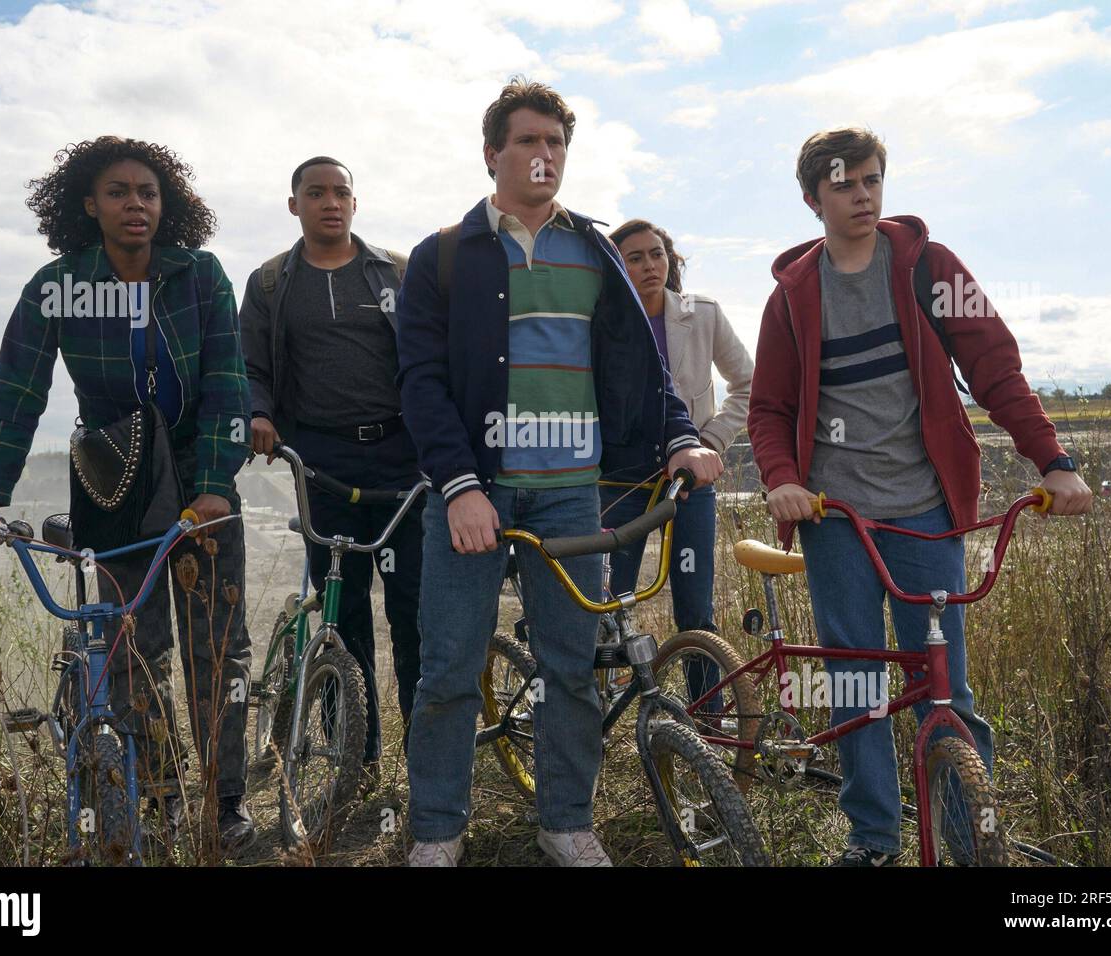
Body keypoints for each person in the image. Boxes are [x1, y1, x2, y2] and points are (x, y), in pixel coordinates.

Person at [396, 78, 723, 867]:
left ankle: (565, 821)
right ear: (492, 154)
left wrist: (681, 436)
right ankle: (438, 830)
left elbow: (643, 368)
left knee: (574, 668)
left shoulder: (595, 250)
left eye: (557, 143)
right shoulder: (441, 256)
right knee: (446, 669)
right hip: (474, 493)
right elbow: (420, 382)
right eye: (529, 141)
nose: (545, 155)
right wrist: (461, 484)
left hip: (574, 496)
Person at [747, 127, 1093, 866]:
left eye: (872, 179)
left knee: (946, 685)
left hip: (924, 510)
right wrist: (781, 480)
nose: (863, 194)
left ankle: (970, 844)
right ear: (813, 199)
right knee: (857, 680)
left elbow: (996, 368)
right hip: (835, 517)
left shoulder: (930, 268)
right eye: (844, 184)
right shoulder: (793, 296)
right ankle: (873, 838)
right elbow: (769, 409)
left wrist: (1054, 461)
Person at [0, 136, 256, 854]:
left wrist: (212, 488)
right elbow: (18, 389)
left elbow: (226, 385)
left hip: (197, 474)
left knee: (218, 646)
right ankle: (159, 796)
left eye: (148, 192)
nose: (136, 204)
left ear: (164, 203)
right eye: (119, 192)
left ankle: (225, 801)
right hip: (114, 474)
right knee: (126, 648)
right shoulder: (57, 284)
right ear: (90, 205)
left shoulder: (200, 275)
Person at [240, 156, 421, 783]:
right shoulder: (269, 284)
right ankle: (356, 761)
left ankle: (427, 759)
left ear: (354, 202)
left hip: (403, 461)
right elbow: (253, 370)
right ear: (295, 204)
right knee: (343, 618)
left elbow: (431, 357)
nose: (330, 202)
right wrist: (259, 414)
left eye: (341, 191)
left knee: (414, 612)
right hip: (321, 466)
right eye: (315, 192)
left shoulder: (397, 272)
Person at [601, 220, 753, 641]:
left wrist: (707, 442)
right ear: (617, 265)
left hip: (689, 481)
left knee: (697, 615)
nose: (651, 265)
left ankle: (707, 709)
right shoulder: (602, 323)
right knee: (610, 607)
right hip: (619, 481)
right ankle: (604, 701)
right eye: (635, 257)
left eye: (657, 253)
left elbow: (748, 384)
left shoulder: (702, 313)